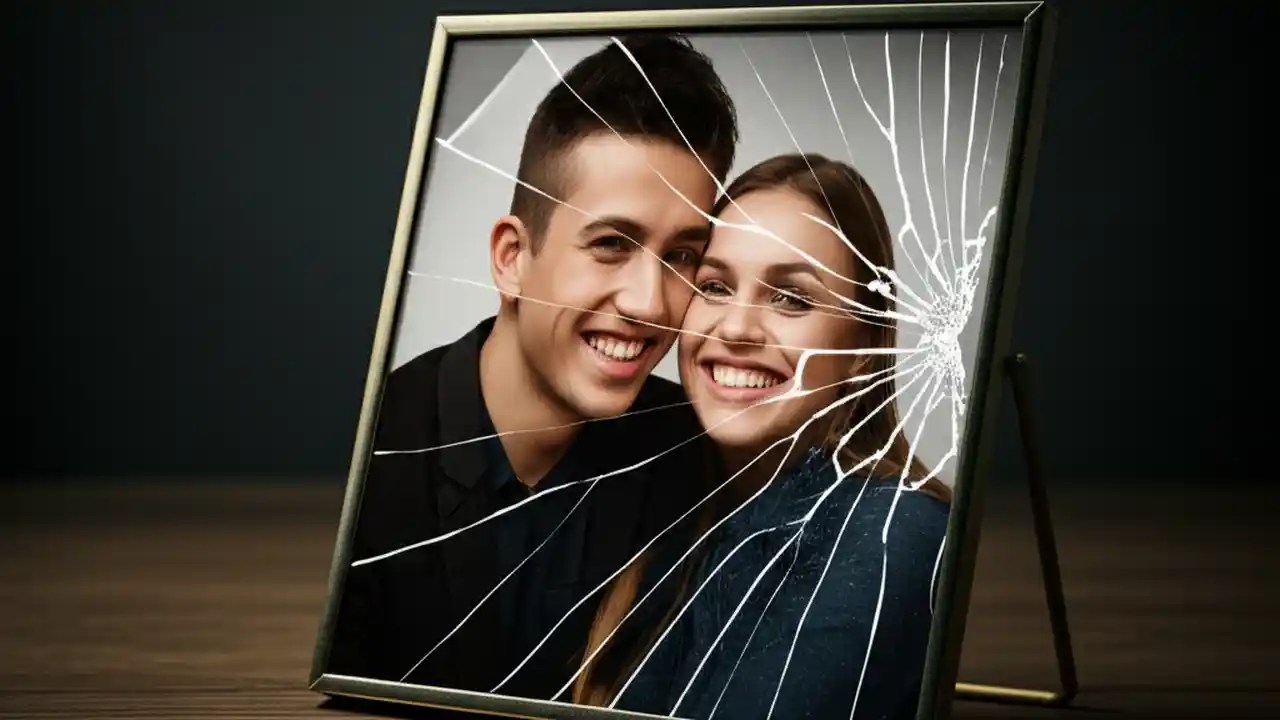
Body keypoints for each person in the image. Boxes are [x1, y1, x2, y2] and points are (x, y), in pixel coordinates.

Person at [325, 34, 738, 704]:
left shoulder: (692, 454)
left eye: (684, 255)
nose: (651, 303)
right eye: (611, 244)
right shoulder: (376, 452)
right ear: (513, 258)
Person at [571, 153, 953, 719]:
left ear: (861, 351)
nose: (737, 328)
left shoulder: (894, 534)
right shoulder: (661, 502)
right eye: (716, 287)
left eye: (793, 299)